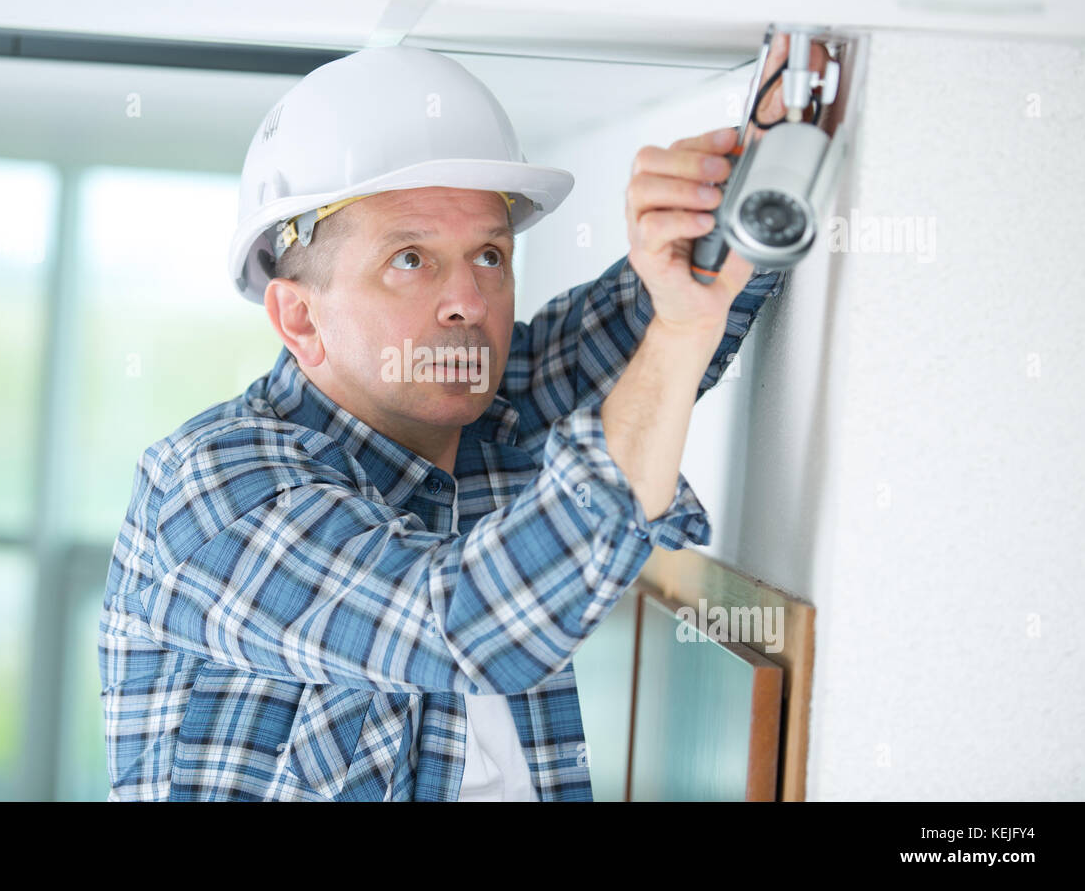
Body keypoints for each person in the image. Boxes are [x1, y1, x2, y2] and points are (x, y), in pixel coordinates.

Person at [98, 42, 791, 801]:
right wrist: (679, 334)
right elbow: (466, 626)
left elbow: (671, 304)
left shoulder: (494, 412)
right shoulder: (211, 492)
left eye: (489, 255)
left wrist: (762, 163)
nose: (468, 298)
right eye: (410, 259)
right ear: (299, 315)